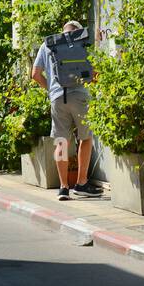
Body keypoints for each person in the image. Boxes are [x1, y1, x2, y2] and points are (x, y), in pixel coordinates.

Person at [31, 20, 102, 200]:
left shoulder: (48, 45)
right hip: (80, 96)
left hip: (57, 98)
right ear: (77, 31)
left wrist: (51, 89)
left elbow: (35, 75)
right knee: (85, 138)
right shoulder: (82, 43)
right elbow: (94, 75)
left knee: (61, 141)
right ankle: (81, 183)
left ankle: (63, 187)